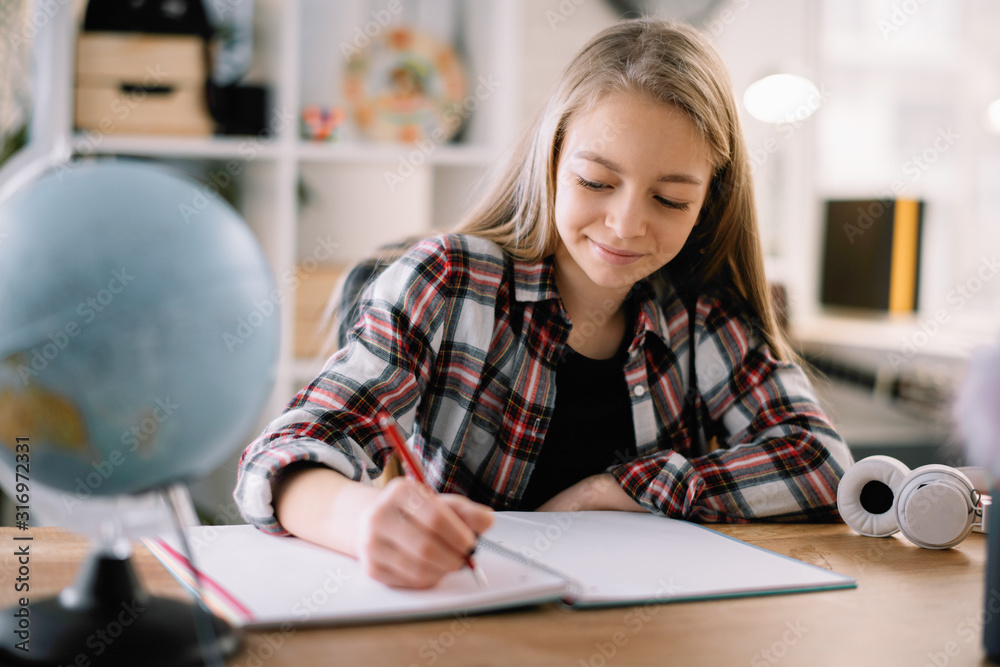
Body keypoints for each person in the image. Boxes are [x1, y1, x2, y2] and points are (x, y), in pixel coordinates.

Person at [234, 18, 853, 590]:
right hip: (474, 617)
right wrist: (360, 518)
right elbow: (281, 457)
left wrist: (617, 490)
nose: (625, 225)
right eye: (596, 182)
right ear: (551, 159)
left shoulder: (700, 314)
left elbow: (823, 462)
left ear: (708, 202)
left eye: (670, 199)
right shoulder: (449, 282)